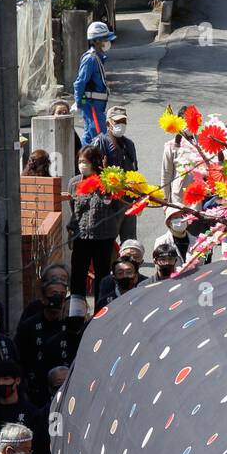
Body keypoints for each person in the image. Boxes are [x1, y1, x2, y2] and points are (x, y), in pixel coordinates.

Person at [67, 145, 125, 314]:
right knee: (78, 276)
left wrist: (112, 229)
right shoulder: (74, 183)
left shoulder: (108, 182)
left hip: (103, 238)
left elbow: (118, 209)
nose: (81, 165)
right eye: (79, 161)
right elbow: (73, 209)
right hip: (81, 237)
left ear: (94, 162)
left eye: (84, 161)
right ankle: (76, 312)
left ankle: (101, 310)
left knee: (103, 275)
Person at [90, 106, 139, 241]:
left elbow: (135, 171)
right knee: (107, 240)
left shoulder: (129, 144)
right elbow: (92, 174)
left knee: (129, 239)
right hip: (108, 201)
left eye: (124, 122)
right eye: (117, 122)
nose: (121, 125)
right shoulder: (99, 142)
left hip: (127, 200)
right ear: (108, 124)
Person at [73, 20, 116, 145]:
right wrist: (79, 102)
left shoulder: (98, 57)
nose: (108, 42)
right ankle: (89, 161)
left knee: (90, 135)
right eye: (105, 39)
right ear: (97, 41)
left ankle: (82, 158)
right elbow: (80, 82)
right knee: (98, 135)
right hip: (92, 104)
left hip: (97, 104)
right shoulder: (90, 58)